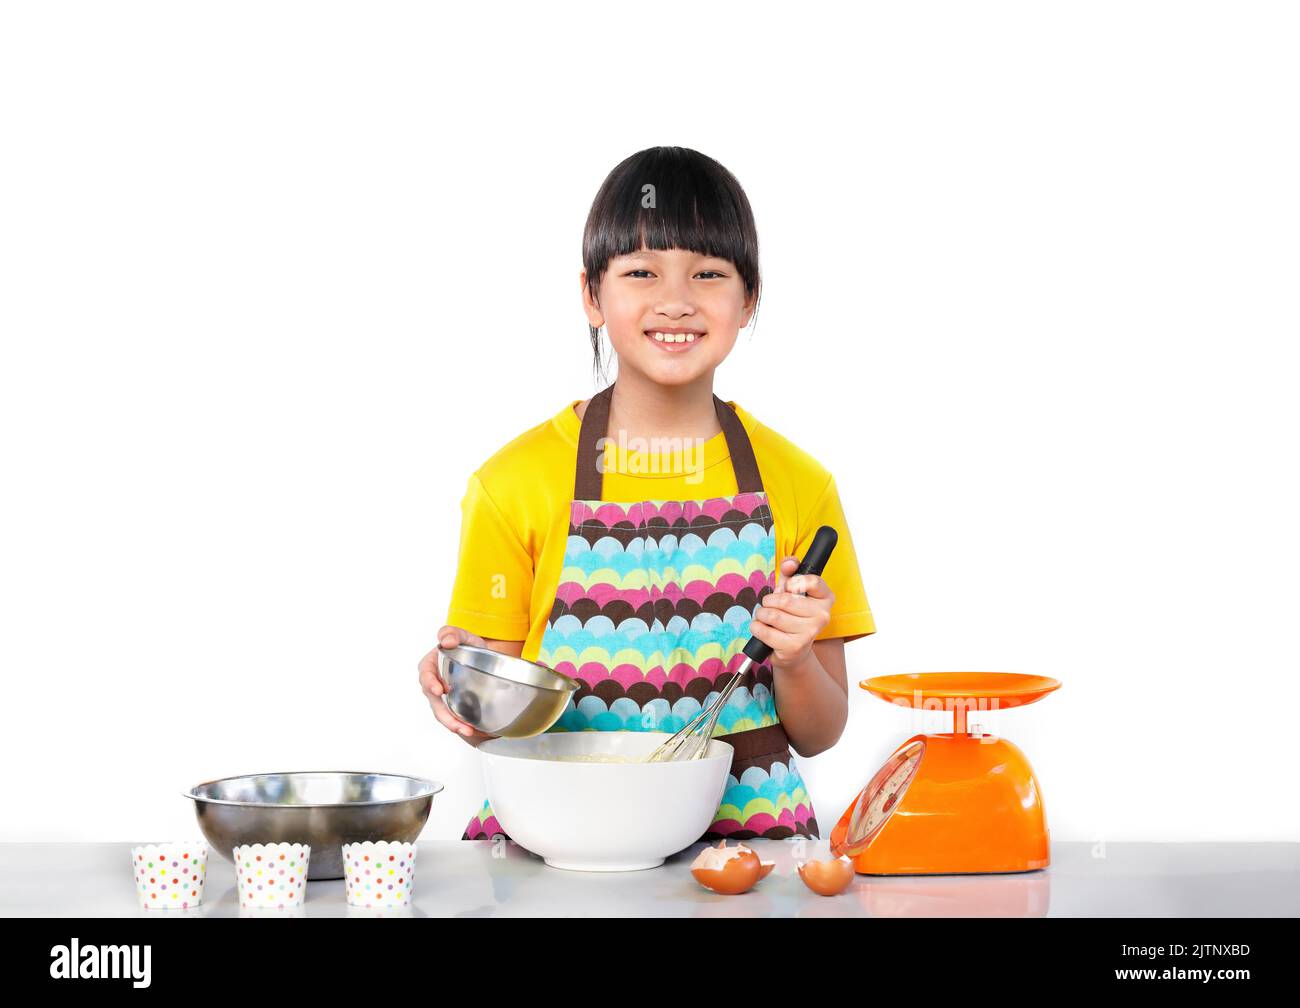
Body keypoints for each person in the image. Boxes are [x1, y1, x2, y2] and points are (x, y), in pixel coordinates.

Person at [417, 146, 876, 842]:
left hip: (744, 850)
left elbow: (821, 734)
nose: (676, 300)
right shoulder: (512, 483)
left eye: (709, 273)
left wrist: (795, 657)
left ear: (748, 298)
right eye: (640, 272)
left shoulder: (799, 483)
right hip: (560, 840)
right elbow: (495, 730)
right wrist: (464, 689)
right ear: (591, 296)